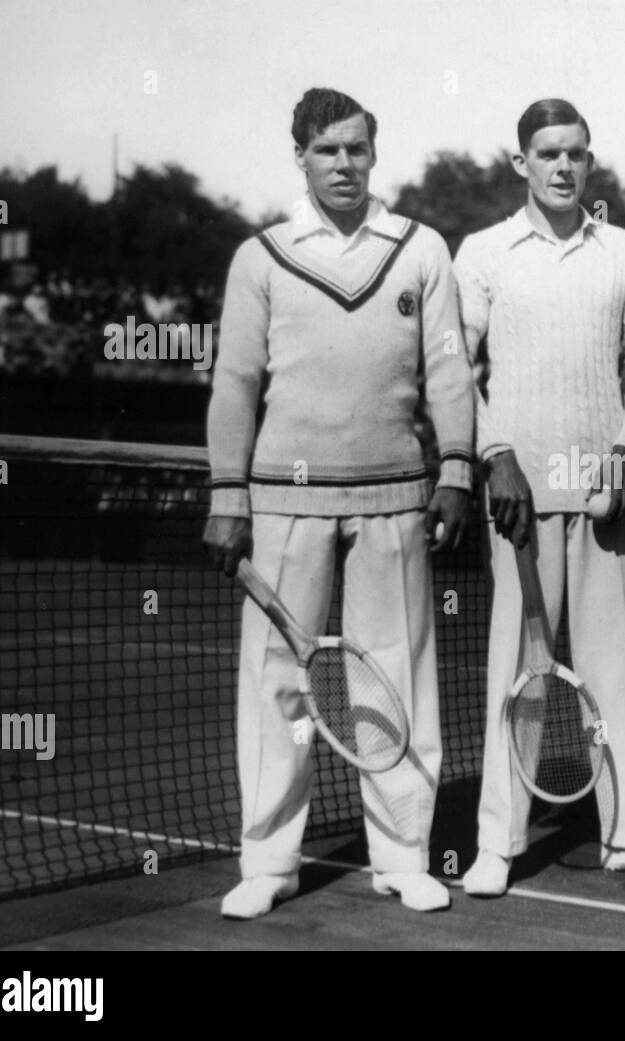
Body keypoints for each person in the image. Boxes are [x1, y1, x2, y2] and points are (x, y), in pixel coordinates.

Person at [203, 87, 474, 917]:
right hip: (285, 505)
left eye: (356, 148)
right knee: (279, 684)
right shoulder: (262, 255)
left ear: (374, 154)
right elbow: (237, 381)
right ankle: (269, 861)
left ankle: (403, 856)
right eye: (327, 150)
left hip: (395, 499)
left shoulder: (420, 247)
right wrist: (226, 494)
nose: (344, 164)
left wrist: (456, 469)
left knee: (393, 683)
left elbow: (450, 371)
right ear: (301, 158)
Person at [454, 98, 625, 897]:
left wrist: (624, 455)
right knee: (518, 675)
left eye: (578, 154)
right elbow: (454, 366)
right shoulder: (485, 252)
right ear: (520, 162)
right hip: (520, 505)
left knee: (611, 674)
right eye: (549, 153)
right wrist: (495, 456)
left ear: (590, 164)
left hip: (609, 503)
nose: (564, 167)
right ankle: (498, 842)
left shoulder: (620, 249)